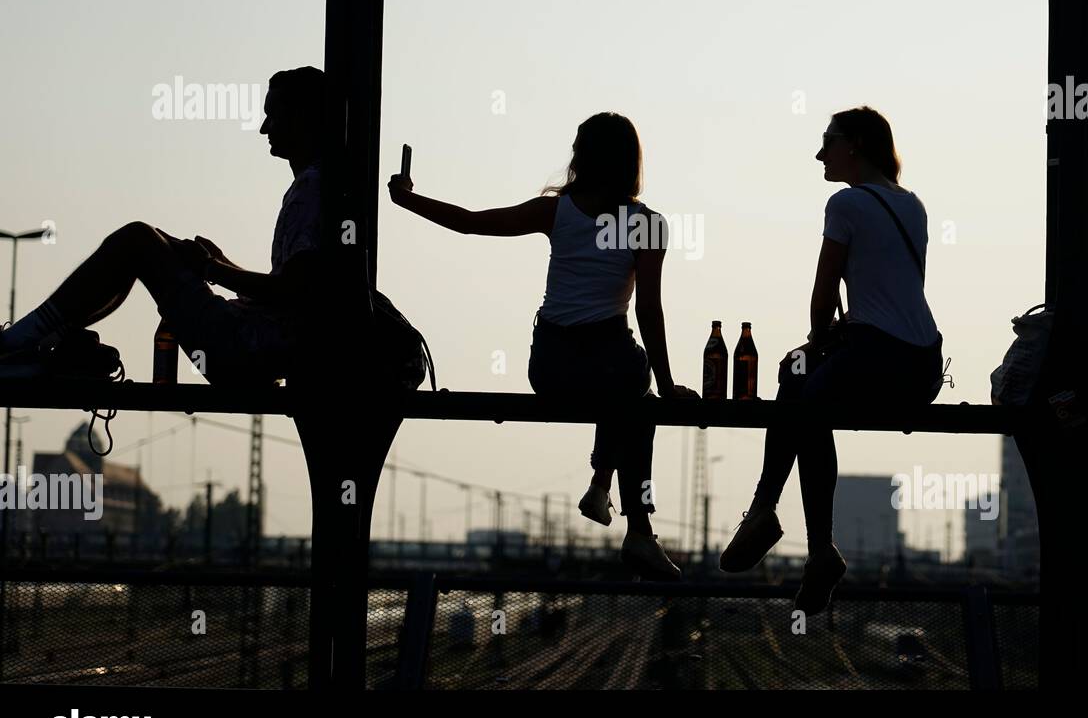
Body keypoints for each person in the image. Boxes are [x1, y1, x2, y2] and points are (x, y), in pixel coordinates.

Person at [388, 111, 697, 580]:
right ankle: (628, 518)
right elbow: (648, 311)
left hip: (550, 366)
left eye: (578, 147)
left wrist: (409, 201)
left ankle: (607, 494)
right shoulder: (648, 223)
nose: (571, 155)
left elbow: (472, 223)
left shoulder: (555, 210)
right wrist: (670, 383)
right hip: (612, 364)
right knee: (639, 392)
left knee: (628, 388)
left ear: (587, 157)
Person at [719, 105, 945, 613]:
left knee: (805, 390)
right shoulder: (913, 205)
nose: (820, 151)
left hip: (878, 356)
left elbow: (823, 293)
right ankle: (786, 530)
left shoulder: (845, 203)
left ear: (855, 145)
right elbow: (893, 294)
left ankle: (787, 527)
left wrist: (819, 341)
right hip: (923, 363)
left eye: (829, 139)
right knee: (798, 377)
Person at [0, 67, 327, 386]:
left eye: (274, 115)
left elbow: (293, 291)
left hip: (243, 347)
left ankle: (17, 342)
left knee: (137, 240)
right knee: (150, 245)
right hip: (251, 346)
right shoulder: (315, 187)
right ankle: (34, 343)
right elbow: (291, 291)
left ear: (301, 116)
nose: (264, 127)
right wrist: (218, 262)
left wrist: (211, 269)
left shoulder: (312, 188)